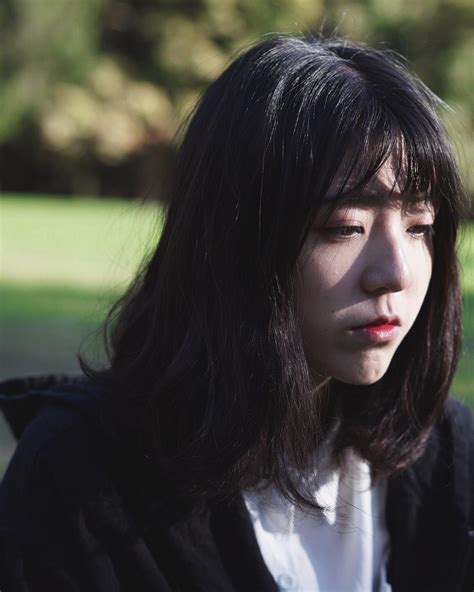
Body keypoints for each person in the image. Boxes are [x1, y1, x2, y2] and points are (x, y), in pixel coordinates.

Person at [0, 34, 472, 592]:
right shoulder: (80, 479)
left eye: (421, 227)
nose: (396, 272)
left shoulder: (446, 453)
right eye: (345, 227)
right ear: (235, 239)